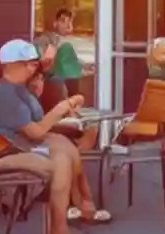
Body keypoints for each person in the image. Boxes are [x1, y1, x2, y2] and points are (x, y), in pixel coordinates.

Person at [0, 39, 98, 234]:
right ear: (9, 65)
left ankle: (80, 205)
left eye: (33, 63)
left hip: (14, 145)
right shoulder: (4, 93)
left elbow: (35, 128)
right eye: (26, 63)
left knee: (63, 146)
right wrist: (60, 109)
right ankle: (60, 233)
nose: (31, 68)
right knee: (60, 162)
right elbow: (35, 132)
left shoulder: (19, 89)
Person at [25, 65, 113, 225]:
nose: (38, 84)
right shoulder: (24, 101)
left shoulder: (35, 100)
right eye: (34, 80)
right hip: (31, 146)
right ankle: (83, 205)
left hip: (44, 141)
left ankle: (79, 204)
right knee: (70, 153)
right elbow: (34, 130)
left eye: (41, 79)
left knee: (76, 146)